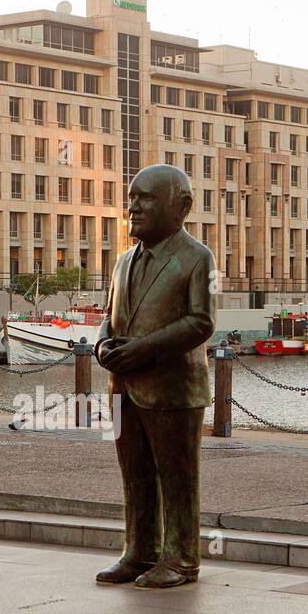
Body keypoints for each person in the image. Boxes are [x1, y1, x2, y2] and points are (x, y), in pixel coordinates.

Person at [94, 164, 216, 590]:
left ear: (180, 206)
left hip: (173, 388)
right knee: (136, 475)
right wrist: (102, 345)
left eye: (146, 198)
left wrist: (142, 349)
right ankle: (139, 550)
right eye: (132, 197)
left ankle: (182, 557)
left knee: (177, 477)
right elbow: (109, 318)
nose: (134, 206)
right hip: (123, 386)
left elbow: (201, 323)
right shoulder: (124, 261)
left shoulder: (197, 258)